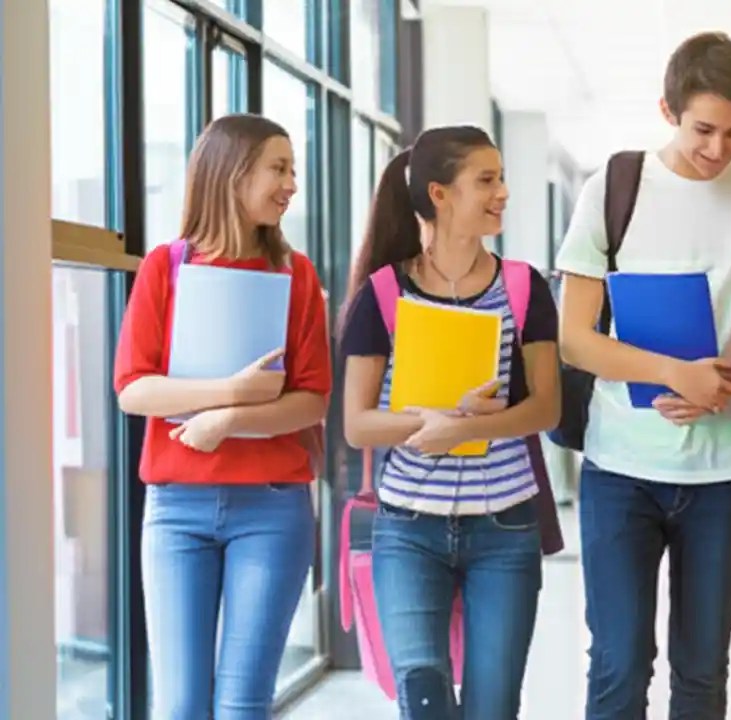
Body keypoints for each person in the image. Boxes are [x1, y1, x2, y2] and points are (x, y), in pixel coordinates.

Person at [556, 32, 731, 718]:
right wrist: (676, 374)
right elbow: (576, 340)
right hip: (620, 470)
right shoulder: (615, 186)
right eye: (703, 128)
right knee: (618, 663)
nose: (719, 148)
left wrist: (722, 385)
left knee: (701, 671)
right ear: (667, 110)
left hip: (724, 475)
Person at [112, 114, 331, 718]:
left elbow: (311, 400)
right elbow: (133, 389)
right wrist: (232, 392)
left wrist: (226, 421)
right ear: (232, 175)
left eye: (293, 169)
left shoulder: (296, 274)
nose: (291, 184)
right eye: (278, 168)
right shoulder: (166, 267)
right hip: (177, 511)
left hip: (272, 507)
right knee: (180, 706)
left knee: (242, 704)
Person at [339, 126, 562, 720]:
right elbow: (358, 425)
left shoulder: (522, 287)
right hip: (409, 530)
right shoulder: (384, 295)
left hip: (506, 529)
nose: (502, 193)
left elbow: (547, 408)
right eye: (485, 180)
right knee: (426, 703)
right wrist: (430, 421)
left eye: (501, 178)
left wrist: (463, 430)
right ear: (438, 194)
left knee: (493, 709)